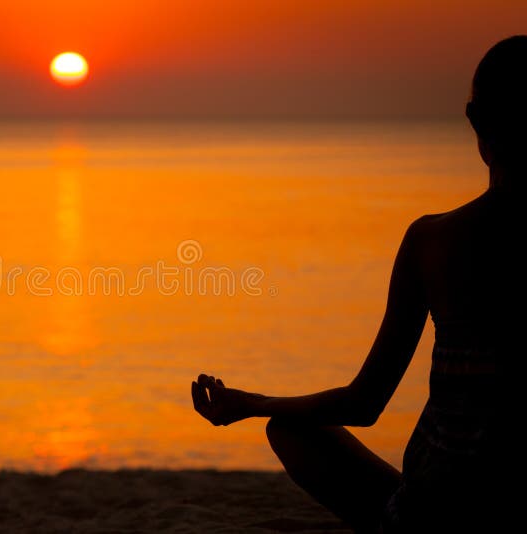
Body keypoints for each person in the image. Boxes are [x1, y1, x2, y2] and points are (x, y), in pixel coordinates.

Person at [191, 35, 526, 532]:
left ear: (476, 121)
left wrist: (251, 404)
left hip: (430, 515)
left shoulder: (432, 241)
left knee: (290, 431)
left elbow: (365, 403)